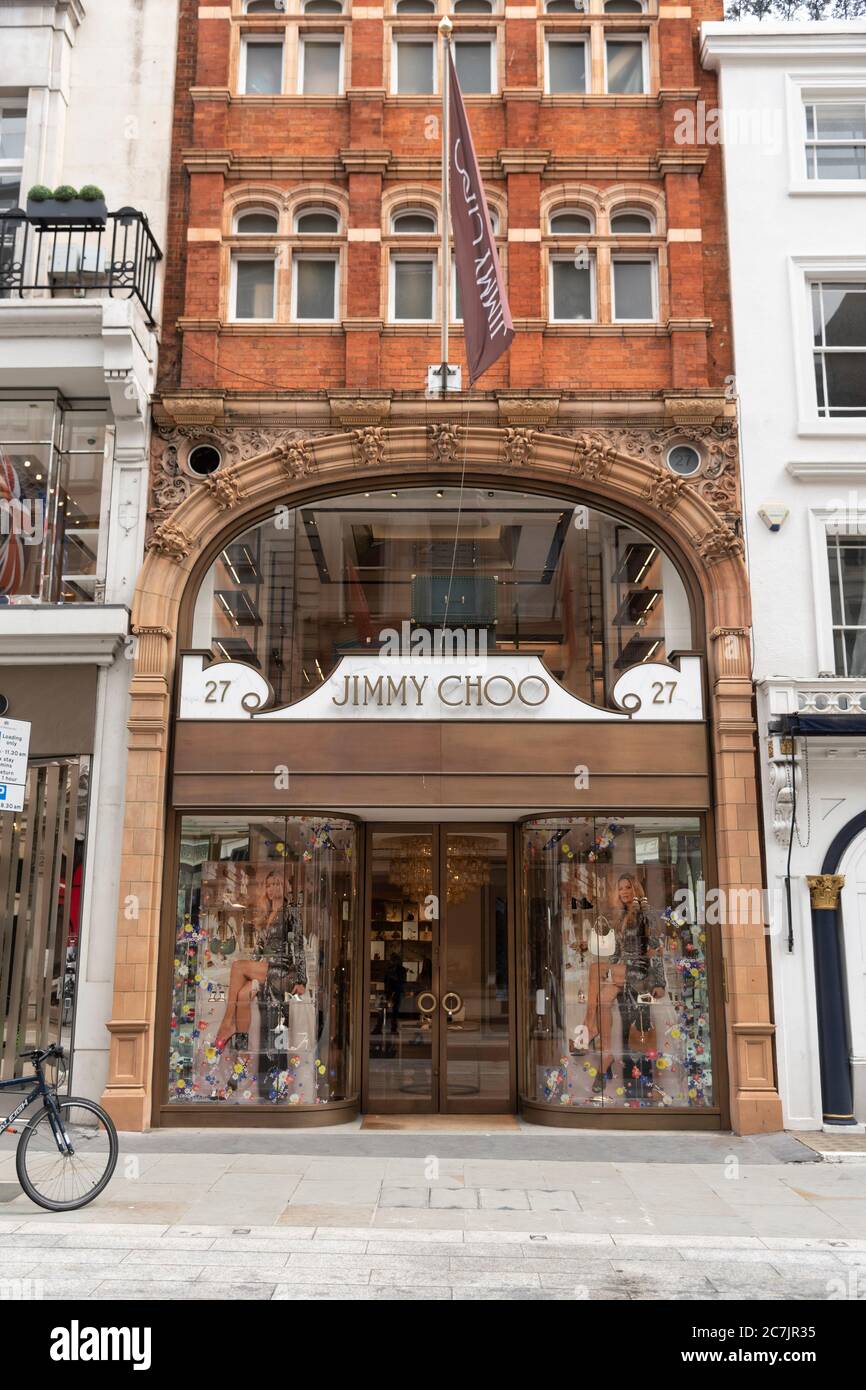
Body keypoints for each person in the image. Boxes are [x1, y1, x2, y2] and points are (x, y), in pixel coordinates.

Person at [582, 873, 665, 1099]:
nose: (624, 892)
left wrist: (660, 982)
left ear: (635, 888)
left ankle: (589, 1027)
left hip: (640, 972)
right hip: (624, 971)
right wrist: (610, 968)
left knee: (594, 971)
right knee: (603, 1000)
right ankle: (606, 1055)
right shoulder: (621, 917)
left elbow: (656, 949)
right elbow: (617, 952)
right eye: (620, 889)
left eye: (627, 887)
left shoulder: (646, 915)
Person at [215, 867, 306, 1052]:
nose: (273, 888)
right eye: (270, 885)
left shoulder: (291, 911)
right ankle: (242, 1051)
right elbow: (259, 949)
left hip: (280, 968)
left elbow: (298, 946)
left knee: (237, 966)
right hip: (264, 967)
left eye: (277, 884)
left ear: (284, 887)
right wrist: (251, 972)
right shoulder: (266, 914)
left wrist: (301, 980)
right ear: (266, 889)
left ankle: (226, 1023)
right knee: (242, 995)